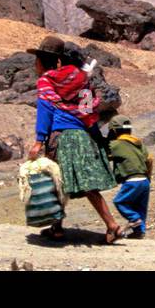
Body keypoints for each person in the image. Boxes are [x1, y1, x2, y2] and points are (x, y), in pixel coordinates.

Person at [27, 37, 124, 243]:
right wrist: (93, 134)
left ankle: (65, 228)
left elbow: (45, 111)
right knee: (83, 184)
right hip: (82, 136)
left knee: (58, 181)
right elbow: (88, 110)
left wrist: (38, 141)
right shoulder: (82, 79)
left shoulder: (46, 80)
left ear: (44, 61)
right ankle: (104, 226)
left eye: (36, 60)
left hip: (61, 138)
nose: (34, 65)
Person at [106, 114, 153, 238]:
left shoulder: (115, 145)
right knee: (141, 207)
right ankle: (139, 232)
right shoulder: (139, 143)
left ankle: (134, 218)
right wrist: (149, 177)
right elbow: (149, 159)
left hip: (132, 180)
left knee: (119, 201)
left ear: (114, 131)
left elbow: (106, 154)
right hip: (144, 181)